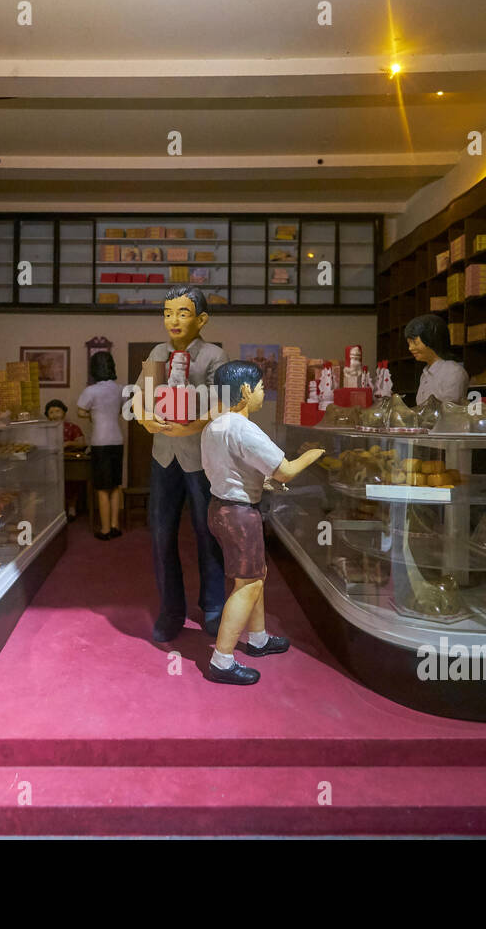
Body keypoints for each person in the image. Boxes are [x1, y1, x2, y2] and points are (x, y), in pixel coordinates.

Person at [200, 361, 324, 685]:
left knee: (255, 575)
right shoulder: (242, 427)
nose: (262, 394)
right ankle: (221, 661)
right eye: (259, 388)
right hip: (240, 515)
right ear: (244, 390)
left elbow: (229, 470)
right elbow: (285, 471)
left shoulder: (214, 426)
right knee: (248, 583)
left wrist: (258, 483)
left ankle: (258, 639)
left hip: (219, 508)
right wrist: (314, 453)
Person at [133, 285, 229, 642]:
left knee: (208, 532)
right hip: (163, 456)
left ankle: (214, 606)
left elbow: (222, 405)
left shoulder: (213, 355)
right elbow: (142, 399)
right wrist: (146, 419)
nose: (173, 320)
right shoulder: (157, 353)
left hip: (201, 458)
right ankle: (171, 609)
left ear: (202, 319)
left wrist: (194, 422)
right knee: (161, 533)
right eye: (168, 312)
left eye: (183, 313)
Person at [77, 351, 125, 541]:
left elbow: (81, 411)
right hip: (117, 440)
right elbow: (120, 411)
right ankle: (115, 526)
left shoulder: (91, 391)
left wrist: (92, 415)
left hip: (100, 441)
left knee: (101, 488)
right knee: (115, 485)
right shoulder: (120, 389)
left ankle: (105, 530)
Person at [405, 314, 469, 405]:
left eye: (415, 343)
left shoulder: (453, 372)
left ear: (431, 340)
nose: (410, 348)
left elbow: (450, 410)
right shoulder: (425, 373)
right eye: (409, 343)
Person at [46, 399, 86, 521]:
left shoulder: (73, 427)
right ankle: (56, 510)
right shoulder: (46, 429)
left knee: (73, 481)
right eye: (51, 412)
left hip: (70, 462)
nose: (55, 414)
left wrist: (68, 443)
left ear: (64, 413)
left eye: (58, 411)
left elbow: (82, 444)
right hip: (51, 462)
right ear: (47, 415)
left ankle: (72, 507)